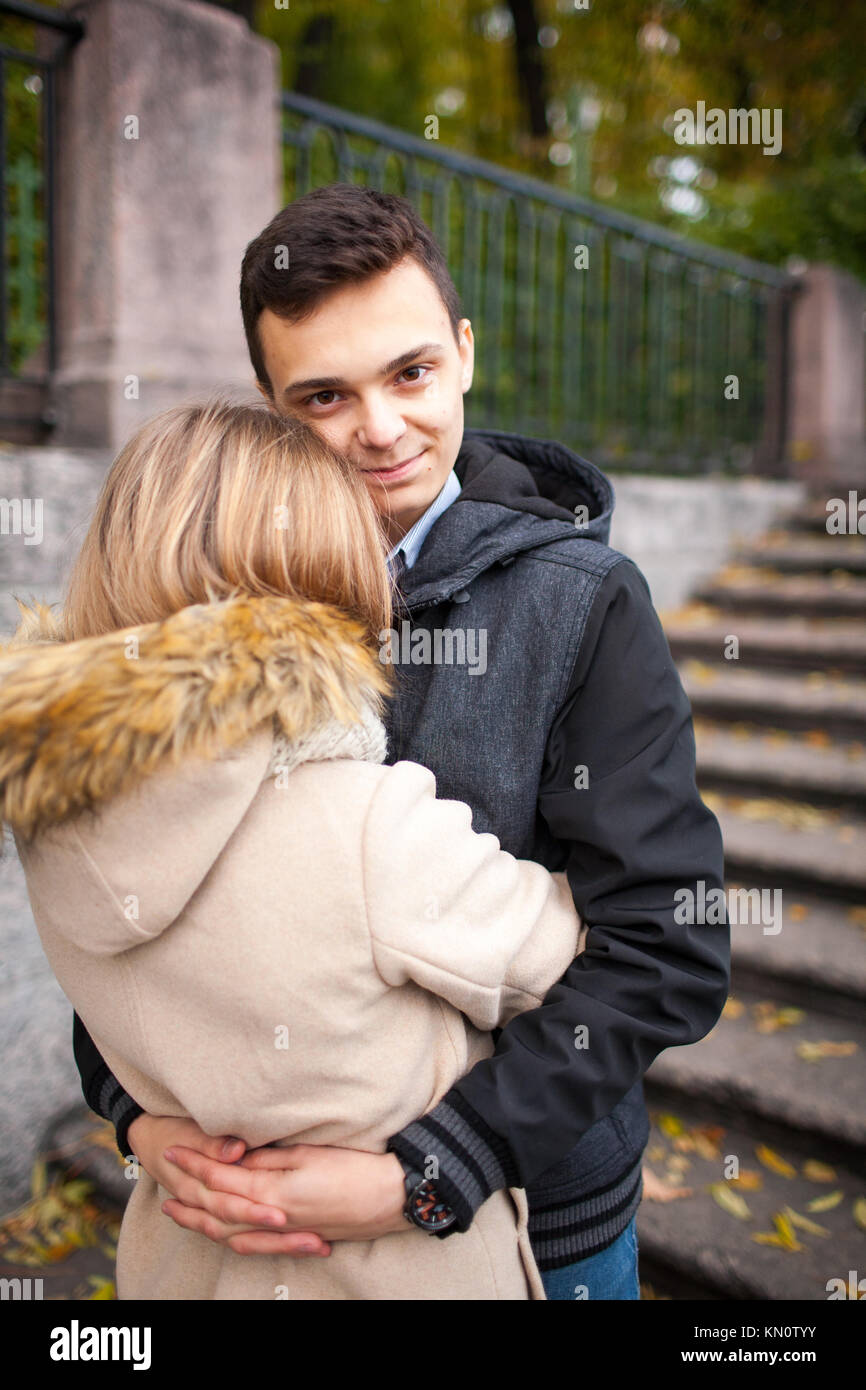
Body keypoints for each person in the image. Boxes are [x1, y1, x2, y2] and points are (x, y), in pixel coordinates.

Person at [70, 184, 730, 1301]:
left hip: (533, 1220)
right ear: (269, 403)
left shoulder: (583, 602)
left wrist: (430, 1170)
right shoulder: (204, 586)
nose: (379, 429)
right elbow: (130, 885)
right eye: (324, 395)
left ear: (463, 352)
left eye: (410, 373)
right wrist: (136, 1116)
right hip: (235, 1224)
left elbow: (666, 949)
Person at [0, 400, 587, 1300]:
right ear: (329, 561)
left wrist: (135, 1127)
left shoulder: (51, 822)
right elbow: (566, 955)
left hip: (183, 1259)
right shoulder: (368, 824)